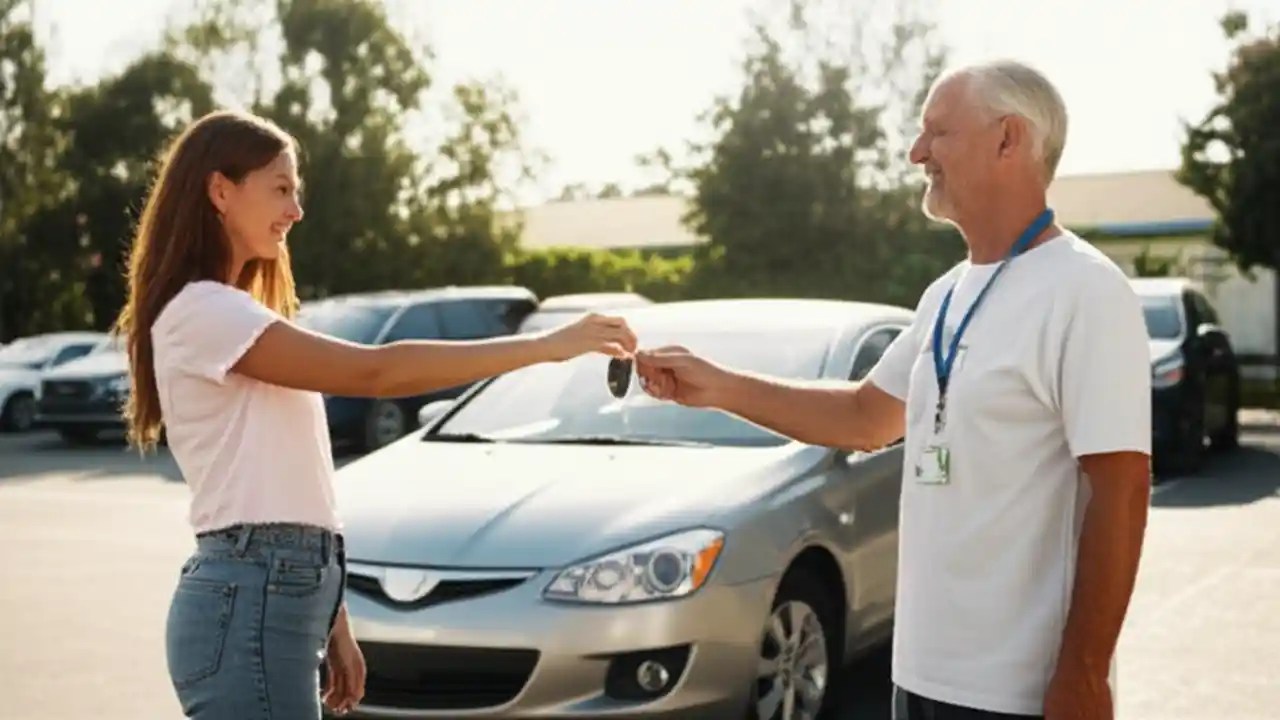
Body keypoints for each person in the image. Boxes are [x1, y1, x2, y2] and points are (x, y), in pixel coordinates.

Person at [636, 59, 1151, 720]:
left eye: (937, 133)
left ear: (1007, 139)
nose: (916, 154)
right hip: (921, 678)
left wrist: (1082, 675)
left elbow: (1123, 489)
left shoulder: (1086, 291)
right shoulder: (945, 295)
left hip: (1021, 693)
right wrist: (718, 387)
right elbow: (863, 418)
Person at [114, 109, 638, 719]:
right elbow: (376, 373)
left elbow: (294, 483)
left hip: (272, 598)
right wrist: (545, 347)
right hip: (248, 601)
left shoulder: (230, 312)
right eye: (281, 188)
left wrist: (334, 624)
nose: (296, 210)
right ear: (220, 190)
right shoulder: (204, 312)